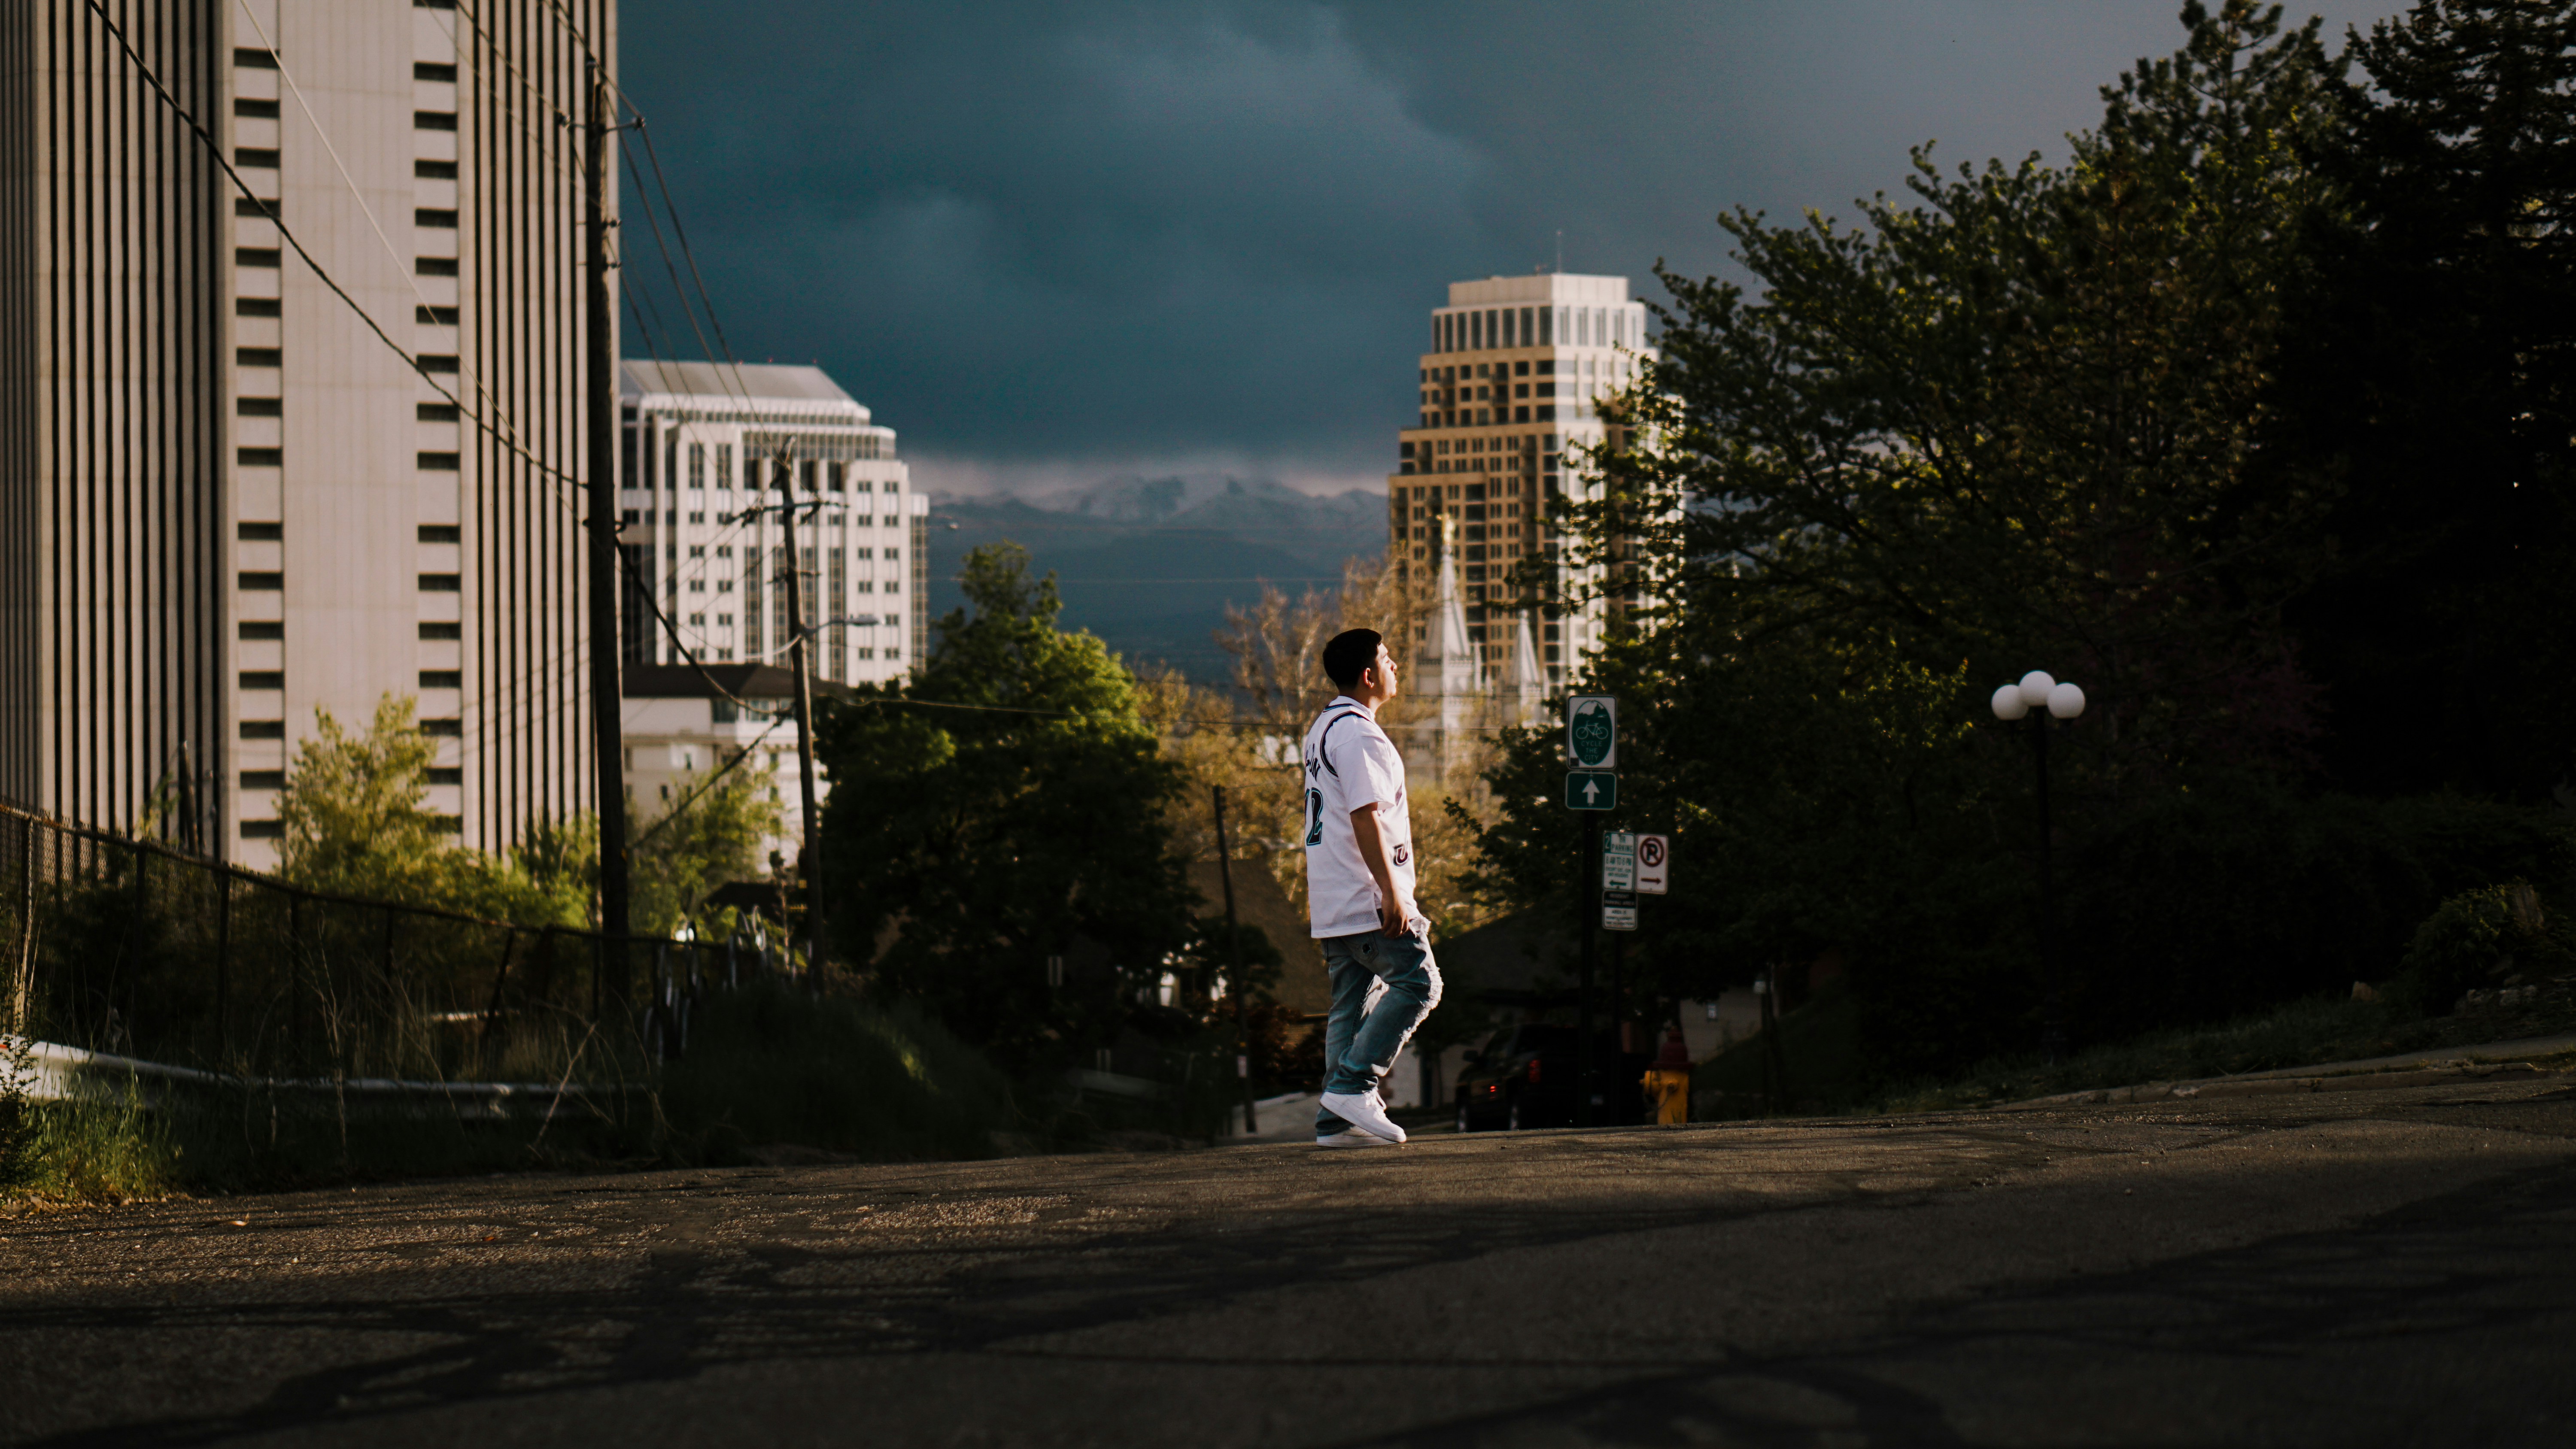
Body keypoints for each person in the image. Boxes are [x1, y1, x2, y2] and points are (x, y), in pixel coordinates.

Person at [1301, 627, 1443, 1147]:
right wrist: (1392, 891)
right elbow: (1366, 817)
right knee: (1420, 983)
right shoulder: (1359, 734)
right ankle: (1353, 1085)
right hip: (1365, 896)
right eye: (1388, 658)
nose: (1396, 666)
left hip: (1333, 896)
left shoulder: (1322, 728)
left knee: (1351, 1004)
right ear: (1368, 674)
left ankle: (1336, 1123)